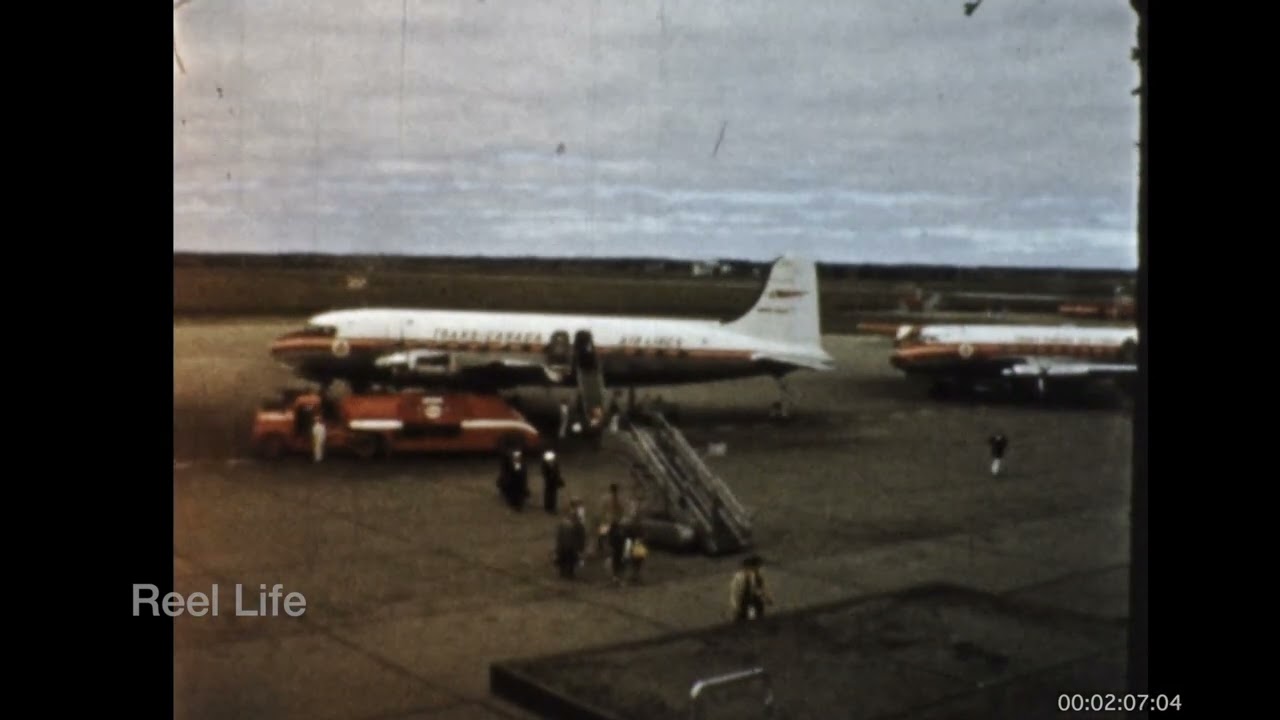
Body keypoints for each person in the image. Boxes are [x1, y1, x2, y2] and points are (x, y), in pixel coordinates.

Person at [729, 555, 773, 622]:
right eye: (757, 567)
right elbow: (736, 594)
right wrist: (736, 607)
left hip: (753, 602)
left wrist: (767, 597)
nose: (759, 569)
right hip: (743, 603)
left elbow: (760, 588)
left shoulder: (757, 575)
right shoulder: (740, 578)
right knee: (742, 619)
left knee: (756, 617)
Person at [554, 501, 587, 579]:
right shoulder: (577, 524)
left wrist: (558, 545)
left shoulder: (564, 522)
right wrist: (581, 547)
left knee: (564, 558)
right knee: (570, 559)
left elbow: (559, 535)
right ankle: (569, 573)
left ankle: (563, 572)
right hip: (571, 545)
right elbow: (581, 536)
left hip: (565, 544)